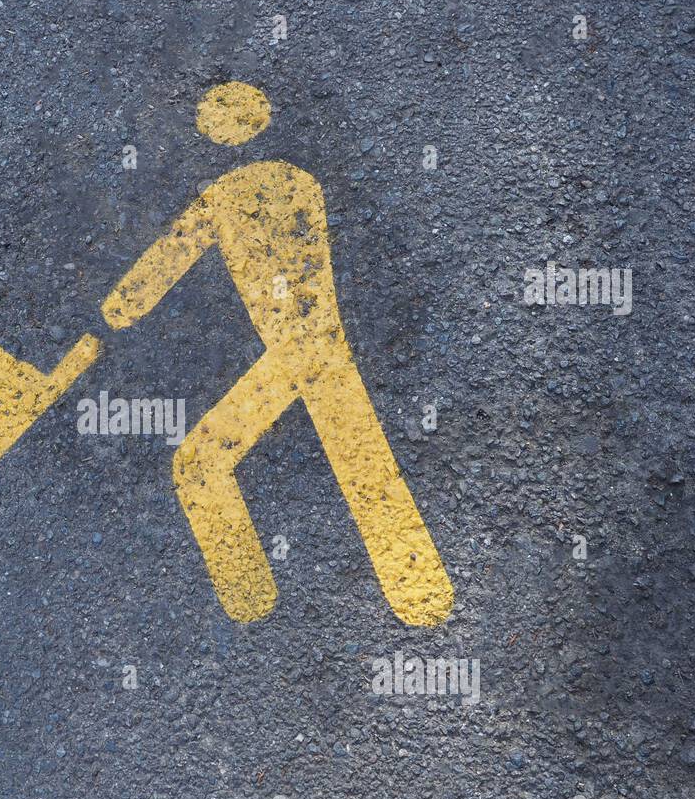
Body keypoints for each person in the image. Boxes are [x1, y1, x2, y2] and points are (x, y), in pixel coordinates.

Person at [103, 82, 453, 626]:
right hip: (321, 346)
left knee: (201, 462)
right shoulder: (301, 180)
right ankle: (417, 588)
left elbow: (151, 277)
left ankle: (251, 595)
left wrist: (118, 309)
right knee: (357, 451)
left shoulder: (218, 197)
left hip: (295, 352)